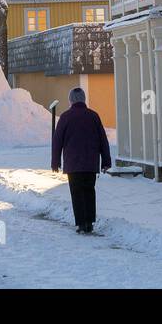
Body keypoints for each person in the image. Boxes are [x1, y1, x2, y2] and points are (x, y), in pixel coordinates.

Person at [51, 86, 112, 234]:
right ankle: (90, 222)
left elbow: (57, 141)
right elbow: (103, 140)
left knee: (77, 193)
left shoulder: (65, 117)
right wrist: (106, 161)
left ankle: (81, 223)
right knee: (89, 191)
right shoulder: (93, 116)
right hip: (91, 163)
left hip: (73, 164)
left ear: (71, 100)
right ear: (84, 99)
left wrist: (55, 161)